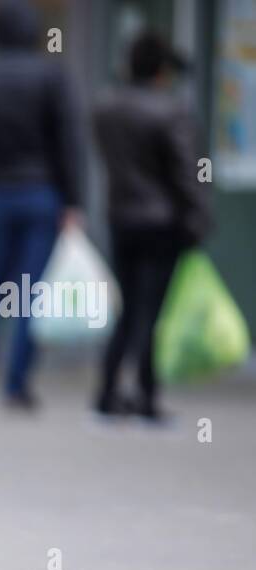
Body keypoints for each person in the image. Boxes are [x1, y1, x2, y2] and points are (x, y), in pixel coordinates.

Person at [0, 0, 84, 411]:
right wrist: (73, 199)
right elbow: (68, 143)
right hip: (42, 193)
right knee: (27, 292)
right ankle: (16, 385)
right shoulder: (50, 77)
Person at [92, 31, 209, 423]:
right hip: (161, 223)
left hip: (121, 218)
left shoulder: (107, 108)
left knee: (129, 308)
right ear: (160, 69)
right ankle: (145, 397)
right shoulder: (169, 111)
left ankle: (109, 391)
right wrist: (198, 216)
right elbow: (186, 174)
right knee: (151, 313)